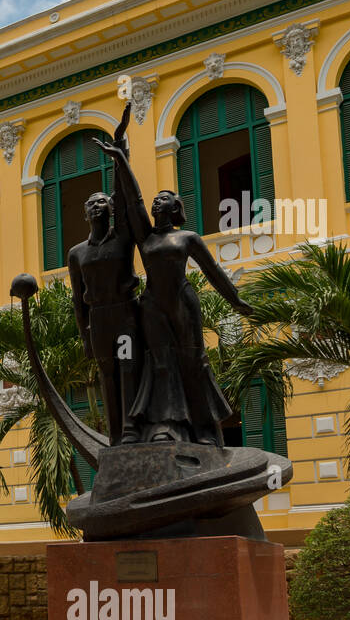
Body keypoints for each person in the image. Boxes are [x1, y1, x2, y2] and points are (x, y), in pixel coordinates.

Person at [95, 132, 254, 446]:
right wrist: (121, 160)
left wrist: (236, 300)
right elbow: (134, 199)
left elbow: (214, 272)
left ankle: (205, 430)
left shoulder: (187, 238)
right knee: (162, 365)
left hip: (182, 303)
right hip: (152, 306)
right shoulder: (146, 237)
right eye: (156, 199)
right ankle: (169, 427)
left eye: (164, 198)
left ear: (175, 207)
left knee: (193, 364)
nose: (157, 201)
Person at [70, 104, 143, 443]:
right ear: (85, 213)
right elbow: (76, 300)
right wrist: (84, 337)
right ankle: (116, 434)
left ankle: (131, 429)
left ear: (111, 209)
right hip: (98, 319)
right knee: (107, 375)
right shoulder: (77, 254)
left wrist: (120, 153)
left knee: (129, 368)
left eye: (103, 202)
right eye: (92, 204)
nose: (98, 206)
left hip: (125, 311)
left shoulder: (123, 238)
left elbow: (128, 197)